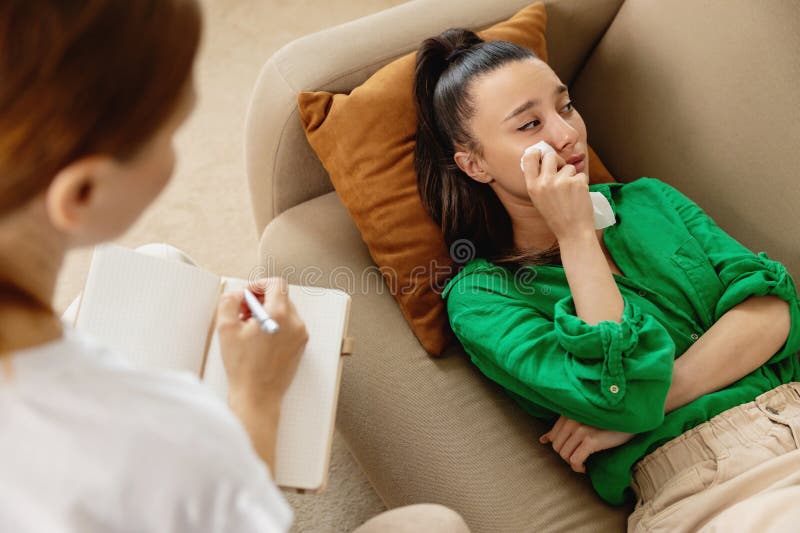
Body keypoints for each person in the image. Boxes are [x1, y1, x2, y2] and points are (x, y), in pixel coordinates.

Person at [0, 2, 469, 532]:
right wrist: (257, 394)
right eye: (169, 134)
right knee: (433, 525)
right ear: (82, 191)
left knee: (161, 264)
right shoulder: (141, 444)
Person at [413, 28, 800, 531]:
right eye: (530, 124)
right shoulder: (482, 297)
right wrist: (573, 234)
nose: (566, 133)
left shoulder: (649, 201)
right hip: (713, 487)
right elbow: (622, 393)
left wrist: (654, 399)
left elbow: (776, 312)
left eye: (566, 107)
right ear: (474, 163)